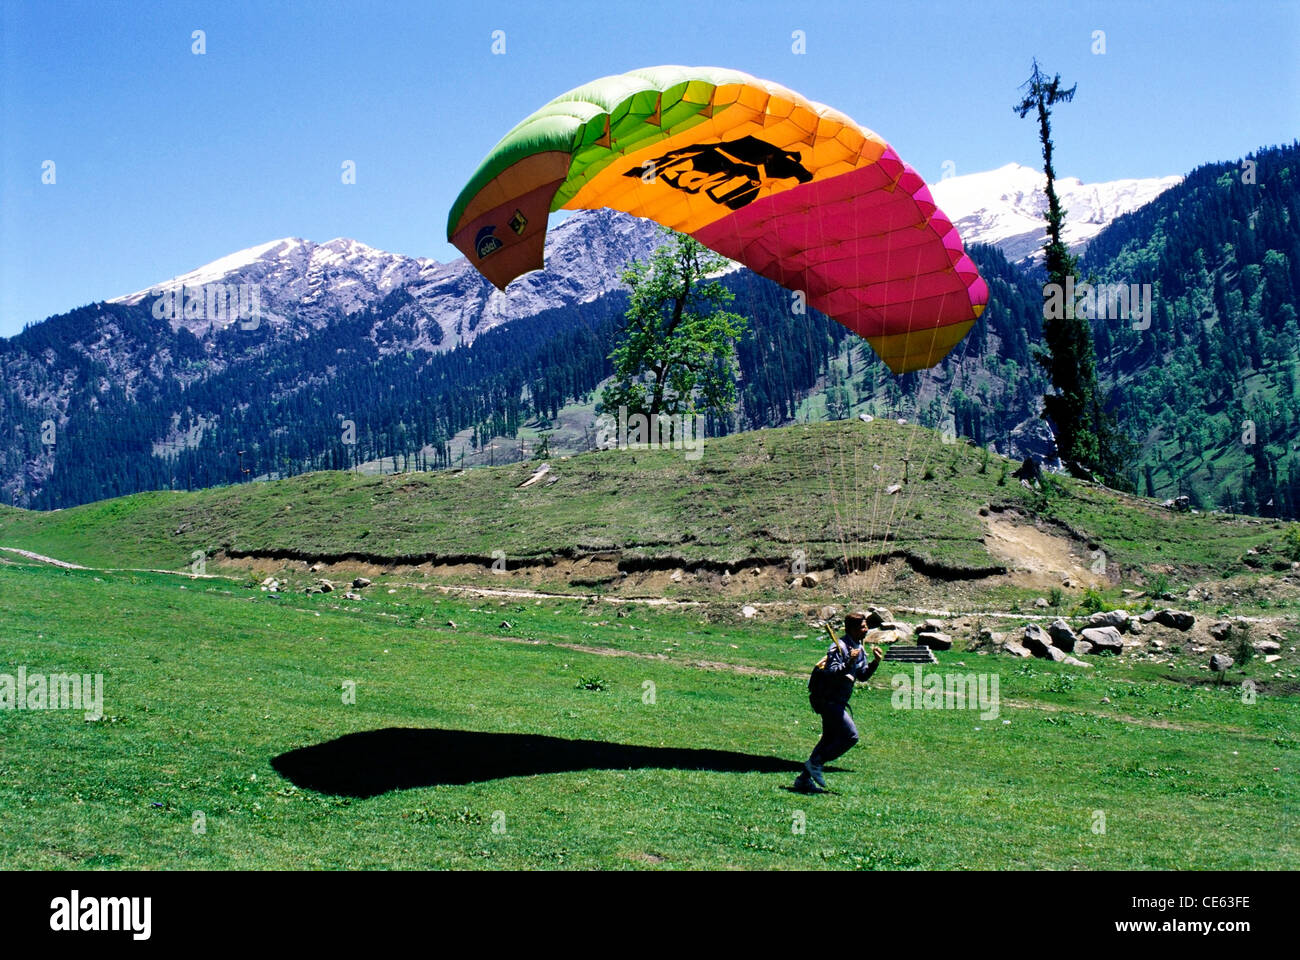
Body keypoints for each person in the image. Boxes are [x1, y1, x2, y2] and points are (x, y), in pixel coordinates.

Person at [794, 611, 883, 793]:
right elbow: (831, 672)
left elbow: (863, 675)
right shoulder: (839, 647)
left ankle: (803, 780)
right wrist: (849, 661)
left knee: (828, 740)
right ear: (852, 629)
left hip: (839, 701)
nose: (866, 629)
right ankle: (816, 763)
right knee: (851, 736)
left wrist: (875, 662)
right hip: (829, 700)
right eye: (863, 627)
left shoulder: (859, 646)